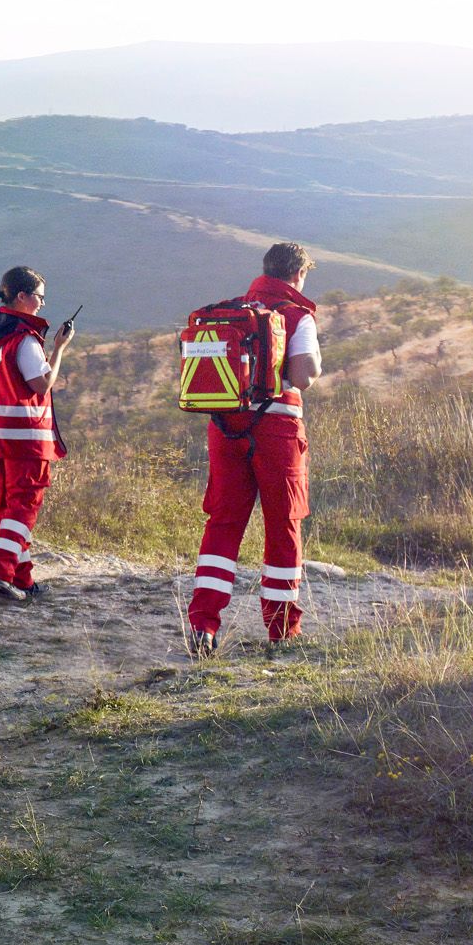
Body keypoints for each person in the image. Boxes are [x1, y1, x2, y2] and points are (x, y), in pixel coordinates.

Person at [184, 242, 326, 656]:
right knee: (283, 524)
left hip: (226, 427)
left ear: (265, 269)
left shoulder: (233, 310)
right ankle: (282, 629)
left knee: (224, 522)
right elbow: (303, 376)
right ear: (299, 274)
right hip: (277, 428)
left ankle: (203, 623)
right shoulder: (298, 314)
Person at [0, 265, 69, 601]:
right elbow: (42, 384)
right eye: (39, 297)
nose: (42, 305)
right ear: (22, 297)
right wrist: (60, 348)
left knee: (8, 508)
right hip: (26, 438)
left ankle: (22, 580)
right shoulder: (23, 339)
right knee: (24, 507)